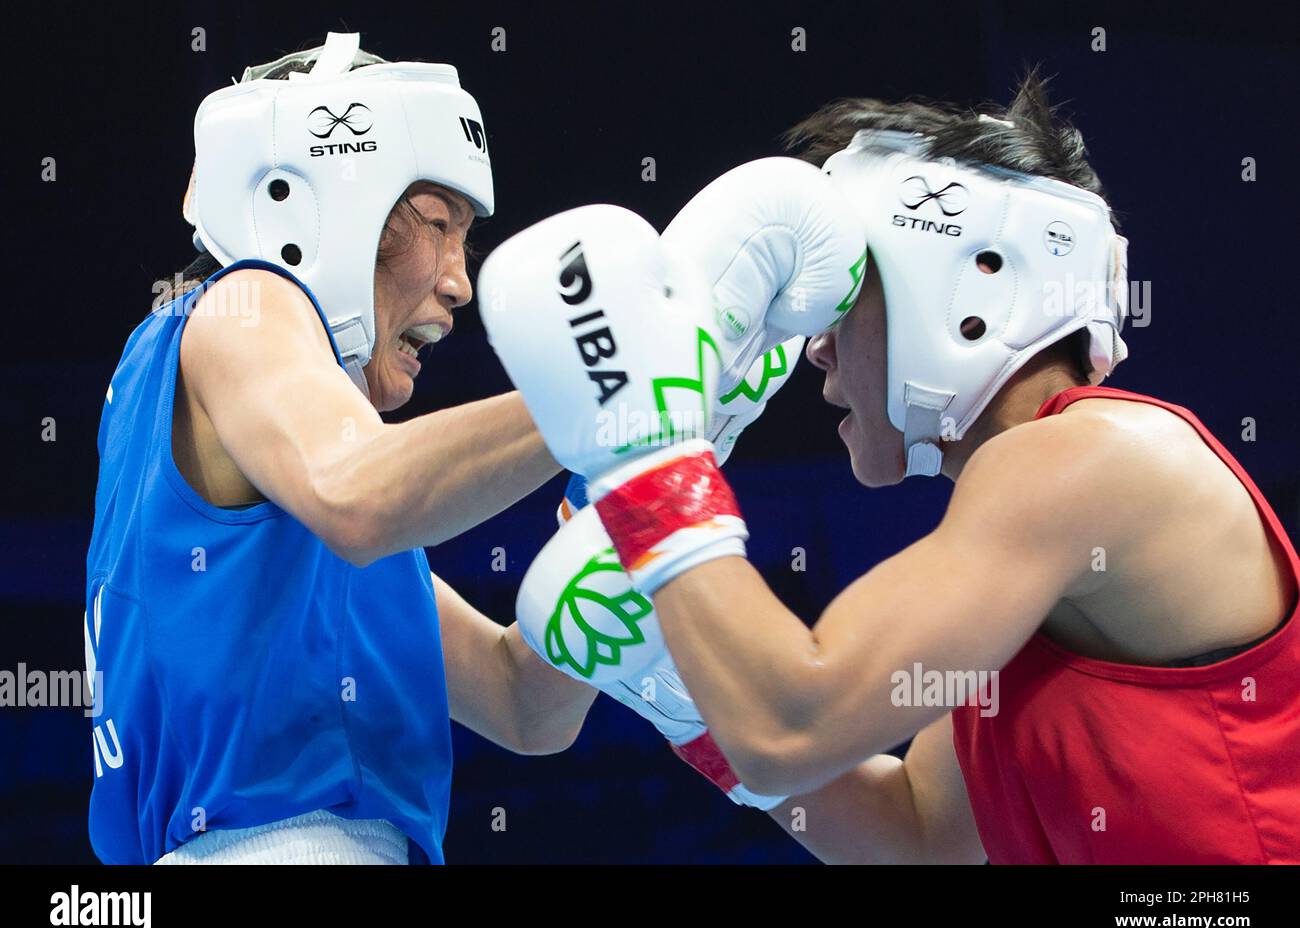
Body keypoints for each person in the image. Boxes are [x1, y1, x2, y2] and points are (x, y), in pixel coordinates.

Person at [493, 74, 1300, 864]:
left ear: (973, 282)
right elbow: (915, 834)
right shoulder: (1034, 530)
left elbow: (791, 725)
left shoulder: (1085, 462)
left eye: (847, 301)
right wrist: (678, 689)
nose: (816, 346)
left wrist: (649, 448)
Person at [83, 33, 597, 865]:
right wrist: (608, 392)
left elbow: (523, 705)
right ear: (301, 202)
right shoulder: (242, 303)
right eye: (439, 224)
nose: (462, 281)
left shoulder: (290, 496)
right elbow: (363, 494)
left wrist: (613, 535)